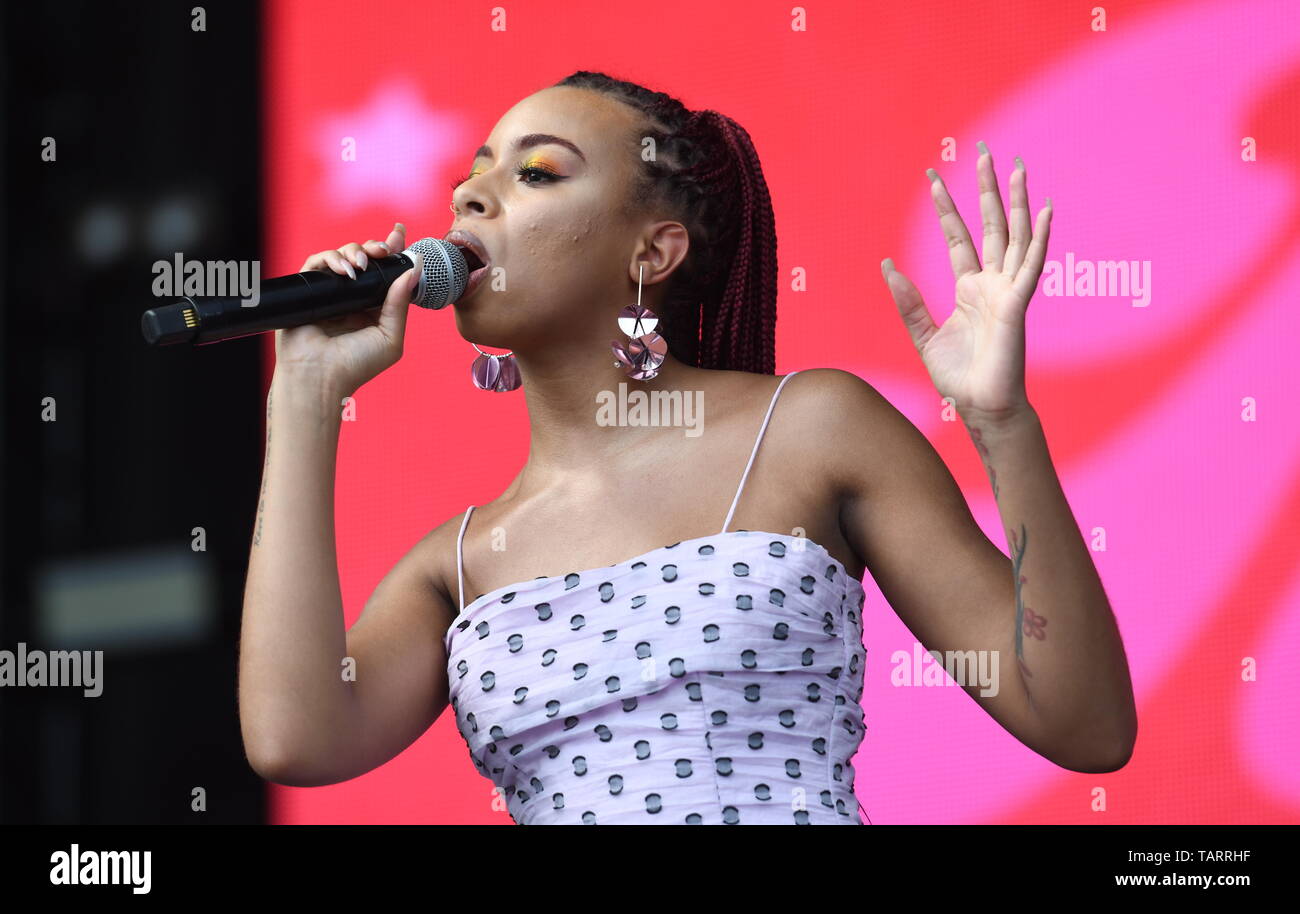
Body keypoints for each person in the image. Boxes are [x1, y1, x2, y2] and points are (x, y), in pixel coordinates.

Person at [238, 71, 1137, 825]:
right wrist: (306, 399)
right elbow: (295, 738)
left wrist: (1002, 426)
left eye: (539, 173)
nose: (472, 195)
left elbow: (1085, 723)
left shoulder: (811, 428)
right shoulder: (461, 562)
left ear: (653, 251)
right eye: (473, 177)